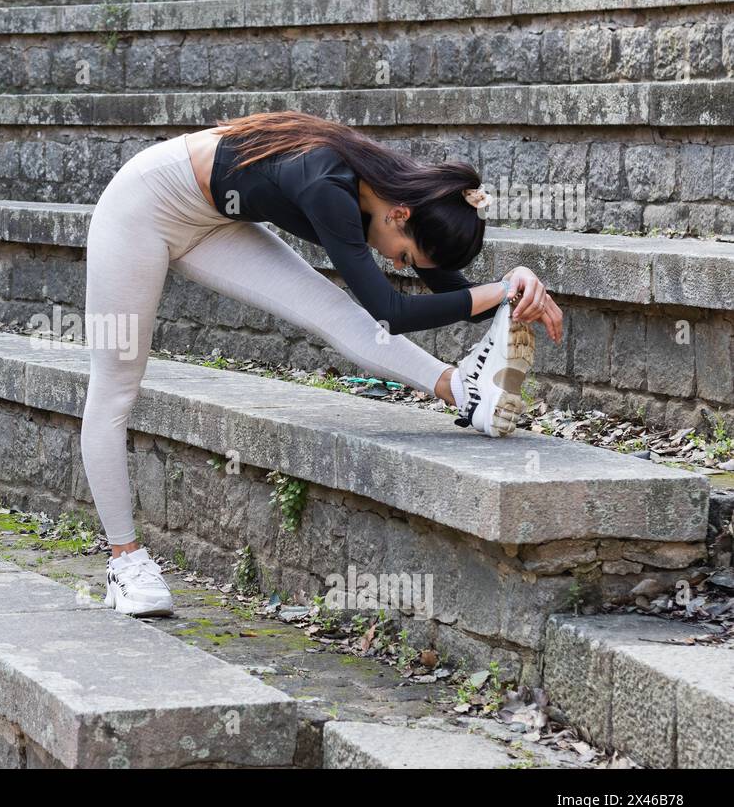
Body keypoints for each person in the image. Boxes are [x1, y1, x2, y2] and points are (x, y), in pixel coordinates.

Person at [81, 112, 564, 617]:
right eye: (403, 257)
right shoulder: (329, 187)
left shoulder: (391, 197)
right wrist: (501, 294)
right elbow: (393, 312)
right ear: (400, 216)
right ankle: (124, 559)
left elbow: (441, 287)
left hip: (213, 222)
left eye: (405, 262)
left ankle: (463, 389)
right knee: (116, 386)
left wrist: (513, 286)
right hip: (141, 207)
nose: (399, 264)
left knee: (340, 317)